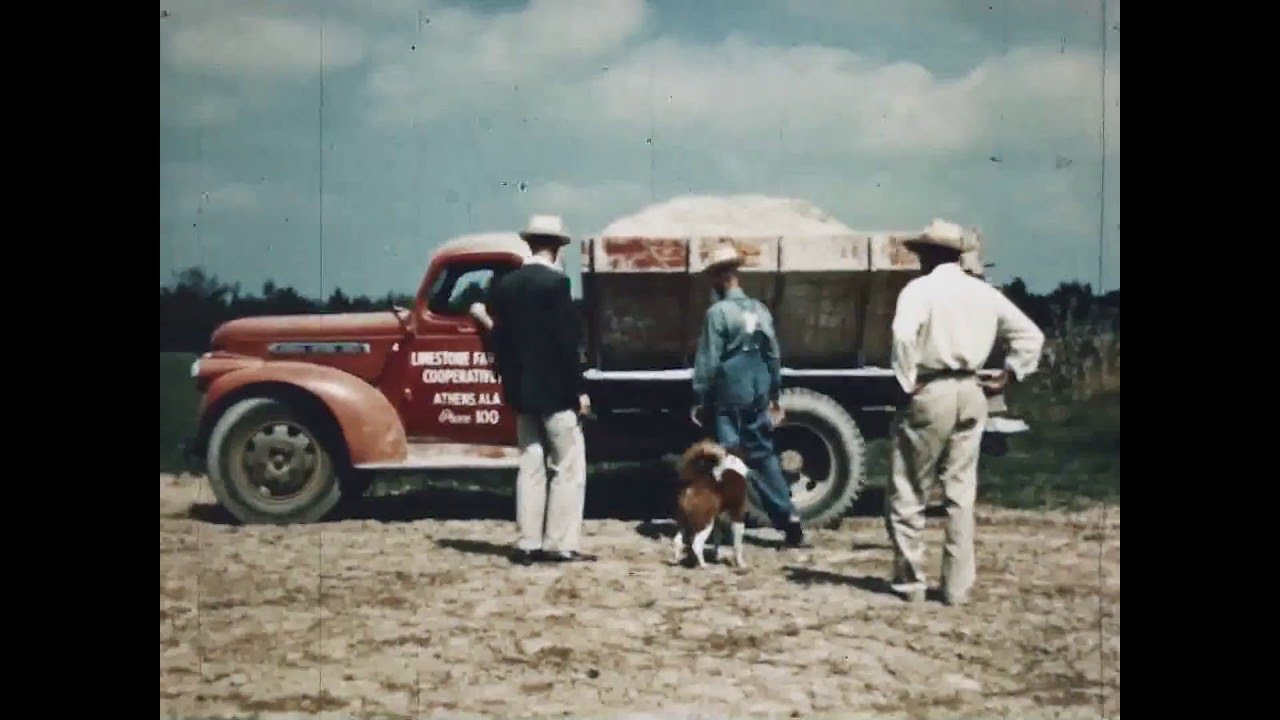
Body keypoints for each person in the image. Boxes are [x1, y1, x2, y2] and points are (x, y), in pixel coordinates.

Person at [886, 219, 1045, 605]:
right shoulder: (982, 293)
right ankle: (957, 588)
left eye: (922, 252)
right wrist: (1010, 373)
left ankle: (911, 582)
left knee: (910, 486)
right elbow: (1031, 335)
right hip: (972, 390)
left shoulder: (919, 290)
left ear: (931, 254)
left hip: (933, 387)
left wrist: (907, 382)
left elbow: (904, 336)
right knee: (960, 491)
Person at [478, 214, 595, 566]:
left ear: (529, 244)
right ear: (558, 247)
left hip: (520, 391)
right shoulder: (556, 286)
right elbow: (566, 345)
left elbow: (499, 337)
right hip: (556, 392)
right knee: (567, 467)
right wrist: (580, 390)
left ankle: (527, 541)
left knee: (529, 466)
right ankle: (558, 543)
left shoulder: (506, 286)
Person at [690, 243, 810, 549]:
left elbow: (709, 360)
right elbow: (773, 353)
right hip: (758, 385)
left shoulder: (717, 313)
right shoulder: (760, 309)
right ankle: (788, 517)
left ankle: (722, 523)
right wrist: (773, 393)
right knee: (763, 452)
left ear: (719, 277)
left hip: (730, 388)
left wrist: (701, 397)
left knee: (729, 454)